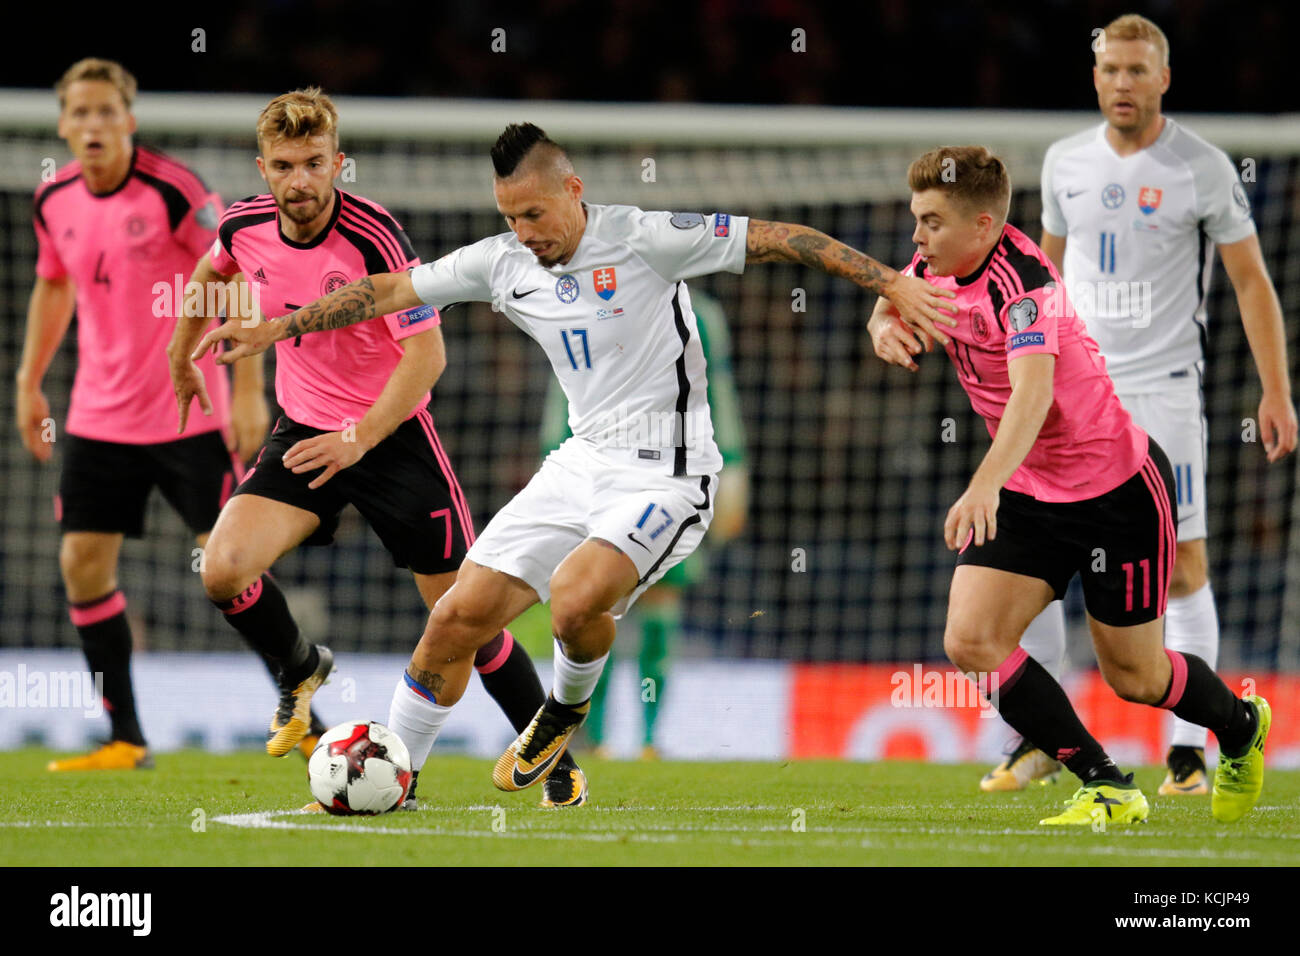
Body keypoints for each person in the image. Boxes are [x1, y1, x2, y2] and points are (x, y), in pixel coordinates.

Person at [192, 122, 958, 798]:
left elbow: (783, 237)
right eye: (509, 217)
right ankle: (396, 775)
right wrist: (272, 332)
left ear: (573, 190)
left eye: (534, 212)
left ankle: (562, 711)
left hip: (670, 468)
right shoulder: (501, 263)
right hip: (580, 461)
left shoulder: (645, 236)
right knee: (453, 617)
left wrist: (893, 283)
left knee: (570, 601)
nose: (524, 230)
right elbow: (385, 291)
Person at [167, 91, 586, 808]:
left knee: (466, 624)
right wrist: (181, 354)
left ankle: (551, 757)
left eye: (315, 163)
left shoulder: (374, 235)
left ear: (338, 162)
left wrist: (359, 437)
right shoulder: (242, 224)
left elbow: (427, 357)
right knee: (221, 568)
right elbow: (213, 268)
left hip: (391, 439)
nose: (301, 180)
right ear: (262, 169)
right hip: (304, 433)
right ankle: (301, 671)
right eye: (285, 166)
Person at [868, 145, 1270, 825]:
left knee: (1135, 677)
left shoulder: (1026, 286)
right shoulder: (935, 266)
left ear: (984, 224)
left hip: (1116, 494)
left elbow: (1032, 396)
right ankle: (1107, 785)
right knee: (970, 641)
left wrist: (984, 485)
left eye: (931, 221)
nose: (916, 237)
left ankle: (1239, 726)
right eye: (916, 219)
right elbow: (895, 298)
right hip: (1032, 490)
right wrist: (884, 322)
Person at [983, 13, 1297, 795]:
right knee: (1037, 558)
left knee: (1184, 566)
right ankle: (1039, 742)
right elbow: (1040, 281)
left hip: (1161, 396)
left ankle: (1189, 750)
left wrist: (1277, 390)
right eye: (1110, 70)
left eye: (1137, 70)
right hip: (1072, 394)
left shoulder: (1203, 167)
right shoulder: (1062, 164)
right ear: (1095, 78)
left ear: (1163, 79)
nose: (1122, 83)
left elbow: (1251, 281)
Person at [16, 58, 271, 771]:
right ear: (64, 125)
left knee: (232, 565)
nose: (93, 126)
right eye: (80, 114)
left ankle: (302, 705)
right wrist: (28, 381)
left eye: (106, 113)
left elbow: (238, 277)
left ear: (128, 120)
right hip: (98, 419)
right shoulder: (53, 199)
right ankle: (126, 737)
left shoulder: (175, 191)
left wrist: (247, 391)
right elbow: (52, 287)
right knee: (81, 565)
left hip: (189, 414)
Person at [539, 289, 749, 759]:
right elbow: (564, 393)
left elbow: (718, 393)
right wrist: (552, 461)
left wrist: (732, 466)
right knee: (598, 600)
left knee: (660, 600)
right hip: (599, 470)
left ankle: (651, 739)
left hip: (673, 473)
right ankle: (595, 738)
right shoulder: (585, 315)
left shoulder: (702, 316)